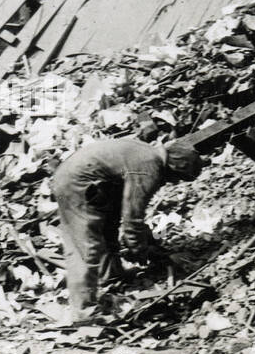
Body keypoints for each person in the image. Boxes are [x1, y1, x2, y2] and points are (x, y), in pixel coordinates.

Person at [52, 138, 205, 322]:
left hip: (90, 180)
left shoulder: (147, 153)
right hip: (76, 183)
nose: (172, 183)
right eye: (177, 178)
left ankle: (112, 275)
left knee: (109, 226)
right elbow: (132, 216)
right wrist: (139, 250)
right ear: (174, 167)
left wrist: (144, 242)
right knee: (85, 246)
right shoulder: (150, 168)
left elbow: (126, 211)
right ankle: (84, 311)